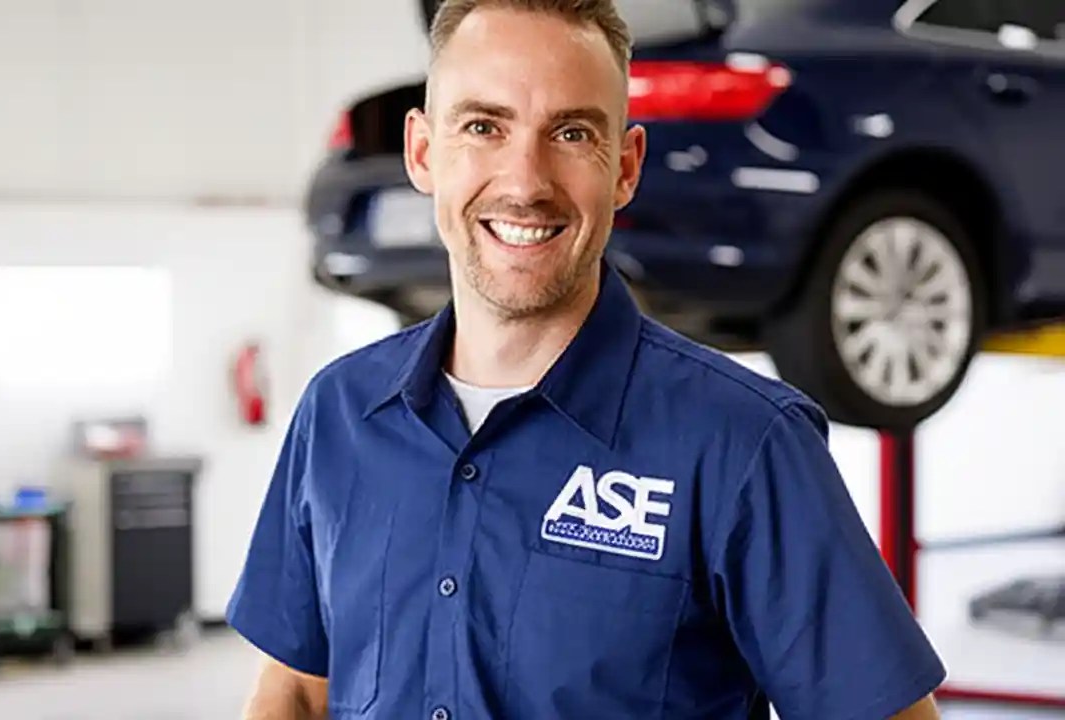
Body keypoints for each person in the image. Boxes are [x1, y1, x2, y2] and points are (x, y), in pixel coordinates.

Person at [227, 1, 946, 717]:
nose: (525, 182)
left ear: (626, 167)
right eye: (483, 127)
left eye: (570, 133)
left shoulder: (742, 445)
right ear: (422, 152)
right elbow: (294, 690)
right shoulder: (340, 414)